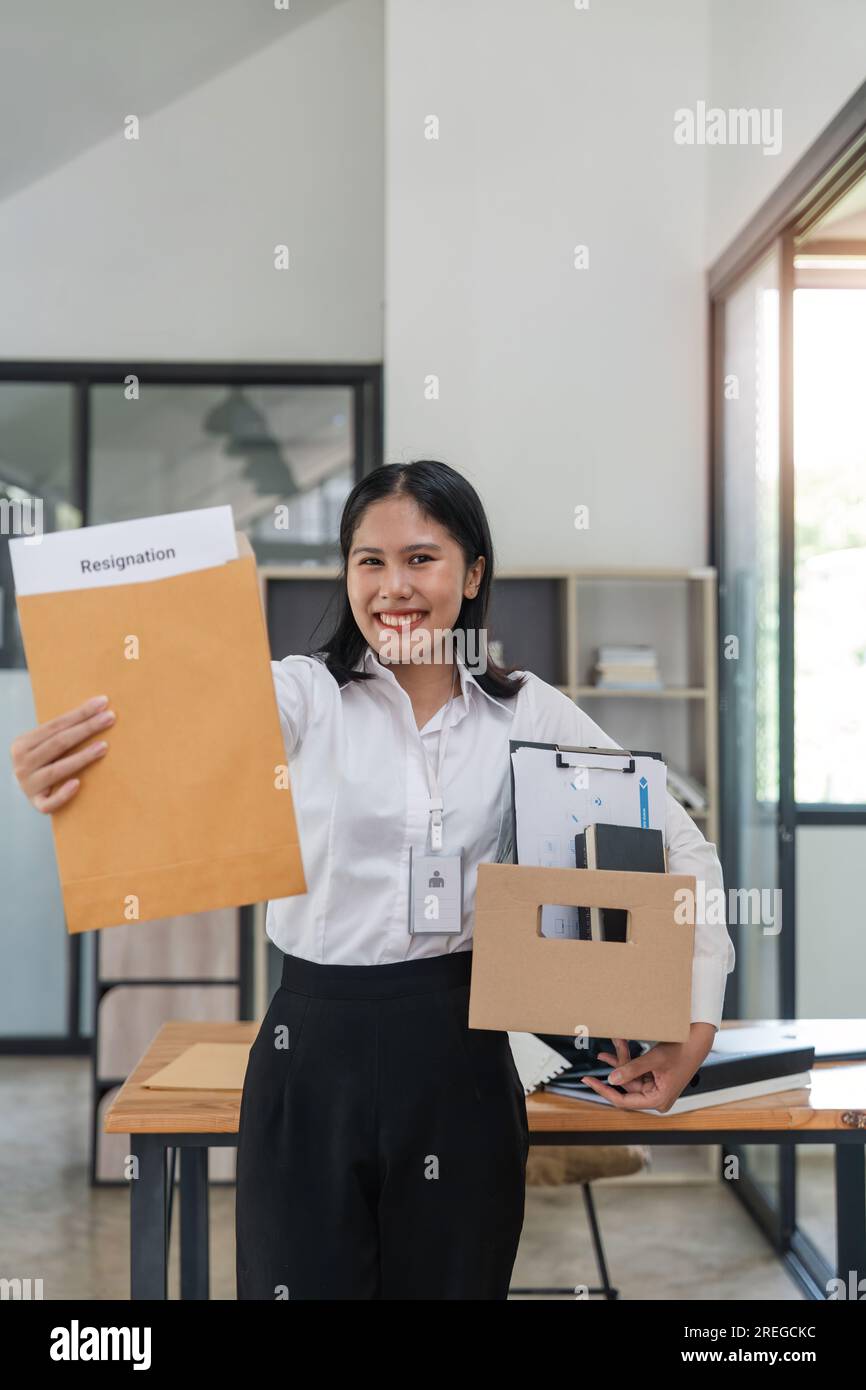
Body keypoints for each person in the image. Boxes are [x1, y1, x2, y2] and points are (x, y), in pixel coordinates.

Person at [10, 458, 735, 1301]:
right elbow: (171, 743)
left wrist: (694, 1021)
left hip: (460, 1054)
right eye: (370, 560)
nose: (395, 586)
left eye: (422, 559)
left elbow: (681, 846)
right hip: (309, 1050)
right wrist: (70, 779)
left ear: (472, 574)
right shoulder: (302, 697)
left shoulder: (525, 711)